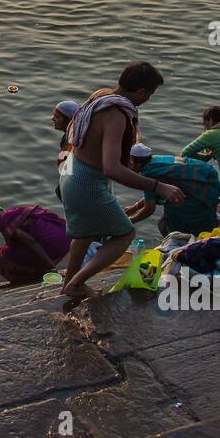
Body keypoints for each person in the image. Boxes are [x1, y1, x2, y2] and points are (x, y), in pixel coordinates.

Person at [58, 61, 185, 301]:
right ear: (141, 92)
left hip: (71, 172)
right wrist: (159, 186)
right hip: (85, 182)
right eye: (150, 95)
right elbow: (112, 167)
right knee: (124, 234)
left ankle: (68, 285)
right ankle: (76, 283)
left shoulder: (102, 96)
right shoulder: (116, 114)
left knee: (84, 234)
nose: (148, 100)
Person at [124, 145, 220, 237]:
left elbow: (149, 209)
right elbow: (154, 191)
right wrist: (134, 208)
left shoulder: (149, 174)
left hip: (194, 197)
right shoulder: (156, 160)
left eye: (127, 162)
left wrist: (129, 221)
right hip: (205, 188)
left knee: (166, 225)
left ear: (133, 161)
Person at [0, 204, 70, 285]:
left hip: (53, 246)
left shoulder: (6, 224)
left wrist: (51, 267)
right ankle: (39, 271)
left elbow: (31, 242)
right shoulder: (15, 213)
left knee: (3, 255)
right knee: (13, 249)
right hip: (64, 238)